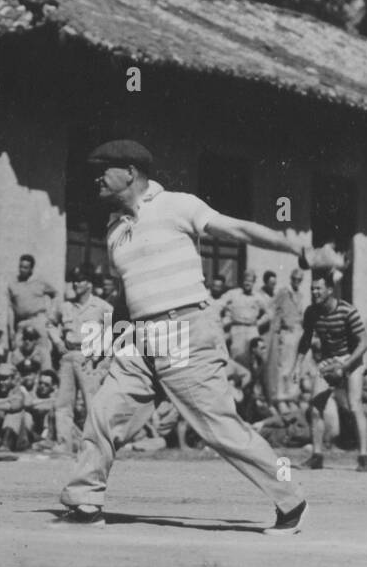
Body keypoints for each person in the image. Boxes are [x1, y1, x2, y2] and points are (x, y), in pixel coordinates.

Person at [53, 140, 315, 532]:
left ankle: (290, 501)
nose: (97, 177)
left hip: (184, 329)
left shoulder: (178, 205)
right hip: (140, 339)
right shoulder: (114, 230)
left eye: (104, 169)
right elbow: (127, 292)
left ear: (130, 172)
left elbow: (238, 229)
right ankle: (85, 501)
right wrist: (109, 337)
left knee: (217, 427)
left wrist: (295, 247)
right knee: (105, 411)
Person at [292, 270, 367, 470]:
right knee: (316, 406)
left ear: (329, 290)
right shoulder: (311, 312)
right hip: (328, 360)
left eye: (318, 288)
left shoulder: (347, 311)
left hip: (351, 358)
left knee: (354, 405)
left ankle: (363, 458)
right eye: (312, 289)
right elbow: (306, 340)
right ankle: (317, 456)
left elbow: (364, 343)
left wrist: (345, 366)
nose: (315, 292)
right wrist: (297, 365)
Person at [51, 263, 112, 452]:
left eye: (81, 280)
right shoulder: (65, 306)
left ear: (90, 284)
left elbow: (115, 331)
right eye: (74, 281)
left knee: (91, 402)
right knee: (63, 403)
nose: (76, 284)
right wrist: (57, 342)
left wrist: (100, 356)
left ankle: (92, 445)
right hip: (68, 355)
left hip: (89, 359)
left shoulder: (102, 307)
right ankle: (64, 443)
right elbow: (49, 324)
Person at [266, 268, 305, 401]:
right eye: (294, 279)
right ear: (291, 279)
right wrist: (278, 323)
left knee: (295, 363)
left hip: (298, 331)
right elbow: (271, 306)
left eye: (299, 280)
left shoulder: (300, 295)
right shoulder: (284, 292)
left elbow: (300, 313)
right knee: (284, 364)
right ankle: (281, 393)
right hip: (286, 331)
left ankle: (292, 393)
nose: (296, 282)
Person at [6, 254, 59, 354]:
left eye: (25, 268)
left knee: (42, 350)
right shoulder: (13, 284)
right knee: (17, 350)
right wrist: (11, 329)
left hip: (38, 320)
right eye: (20, 267)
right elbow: (10, 308)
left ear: (31, 269)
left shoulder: (39, 282)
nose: (22, 270)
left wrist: (51, 314)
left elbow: (56, 295)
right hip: (21, 323)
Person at [218, 269, 272, 365]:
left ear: (254, 282)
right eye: (246, 280)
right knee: (237, 354)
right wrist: (224, 319)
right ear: (242, 281)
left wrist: (258, 323)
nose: (247, 283)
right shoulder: (233, 294)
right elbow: (219, 304)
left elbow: (269, 314)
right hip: (237, 328)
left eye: (250, 281)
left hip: (252, 329)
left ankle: (253, 378)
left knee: (255, 356)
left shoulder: (258, 297)